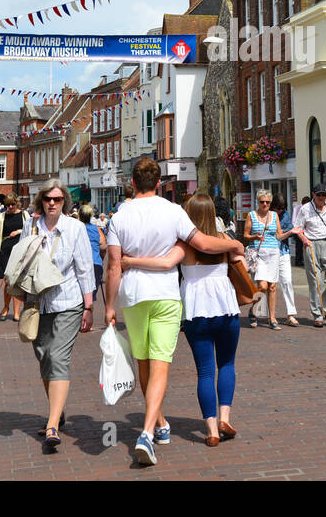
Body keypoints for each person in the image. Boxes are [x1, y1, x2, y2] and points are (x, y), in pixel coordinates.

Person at [104, 156, 244, 466]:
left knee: (143, 361)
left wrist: (109, 306)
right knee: (161, 364)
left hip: (134, 295)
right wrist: (233, 245)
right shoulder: (173, 212)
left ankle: (159, 424)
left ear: (131, 183)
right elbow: (205, 244)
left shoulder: (119, 217)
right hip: (165, 295)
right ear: (158, 183)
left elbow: (114, 265)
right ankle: (147, 431)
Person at [25, 180, 95, 450]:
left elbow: (84, 268)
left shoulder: (75, 228)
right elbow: (21, 262)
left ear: (64, 201)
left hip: (68, 301)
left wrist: (88, 306)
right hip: (37, 303)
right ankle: (59, 409)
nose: (52, 203)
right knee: (44, 356)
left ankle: (52, 424)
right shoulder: (32, 228)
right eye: (47, 199)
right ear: (41, 201)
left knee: (58, 357)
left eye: (57, 199)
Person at [241, 190, 301, 330]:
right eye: (262, 202)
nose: (265, 204)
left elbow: (279, 236)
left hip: (274, 253)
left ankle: (272, 318)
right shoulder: (251, 215)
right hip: (259, 253)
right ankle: (253, 310)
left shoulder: (274, 215)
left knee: (272, 287)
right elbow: (245, 235)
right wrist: (254, 237)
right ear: (258, 202)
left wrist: (291, 232)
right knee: (262, 286)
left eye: (268, 202)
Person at [293, 184, 326, 327]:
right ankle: (318, 315)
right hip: (311, 245)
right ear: (313, 194)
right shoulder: (305, 209)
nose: (321, 197)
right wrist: (305, 240)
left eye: (324, 195)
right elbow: (298, 229)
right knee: (316, 283)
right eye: (319, 194)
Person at [0, 196, 27, 321]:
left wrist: (18, 231)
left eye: (12, 204)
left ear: (17, 203)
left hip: (20, 251)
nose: (10, 207)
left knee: (17, 282)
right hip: (6, 251)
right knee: (7, 282)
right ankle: (6, 307)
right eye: (8, 205)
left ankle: (16, 312)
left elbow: (30, 230)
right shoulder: (2, 216)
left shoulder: (24, 215)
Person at [273, 197, 300, 326]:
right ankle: (261, 312)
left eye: (282, 208)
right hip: (269, 252)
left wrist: (283, 232)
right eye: (278, 208)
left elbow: (289, 229)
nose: (280, 211)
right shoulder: (266, 215)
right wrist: (284, 232)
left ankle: (291, 314)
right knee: (266, 285)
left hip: (283, 251)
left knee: (287, 281)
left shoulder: (285, 215)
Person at [79, 203, 107, 311]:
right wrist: (101, 258)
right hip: (96, 264)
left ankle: (81, 318)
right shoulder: (97, 230)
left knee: (80, 294)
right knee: (91, 294)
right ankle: (88, 318)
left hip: (81, 264)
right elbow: (103, 247)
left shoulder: (77, 228)